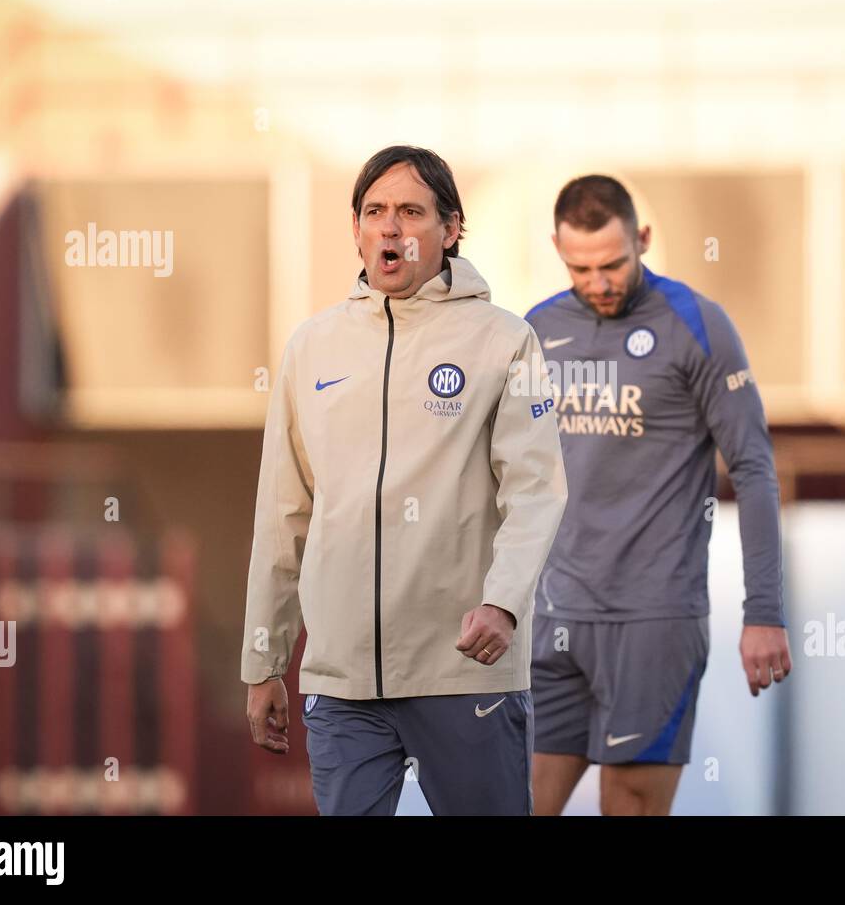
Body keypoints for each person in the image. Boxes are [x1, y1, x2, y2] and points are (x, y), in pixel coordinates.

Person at [241, 145, 567, 815]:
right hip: (342, 681)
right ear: (356, 230)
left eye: (411, 212)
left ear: (449, 231)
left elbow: (536, 491)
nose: (390, 227)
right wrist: (263, 661)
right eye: (374, 211)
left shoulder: (506, 342)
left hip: (464, 671)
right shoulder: (312, 346)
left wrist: (503, 603)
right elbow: (282, 514)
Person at [526, 175, 790, 815]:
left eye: (614, 263)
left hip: (653, 621)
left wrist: (764, 612)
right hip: (551, 617)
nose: (600, 282)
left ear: (642, 239)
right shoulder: (535, 329)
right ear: (558, 250)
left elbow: (753, 467)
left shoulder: (696, 325)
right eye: (581, 267)